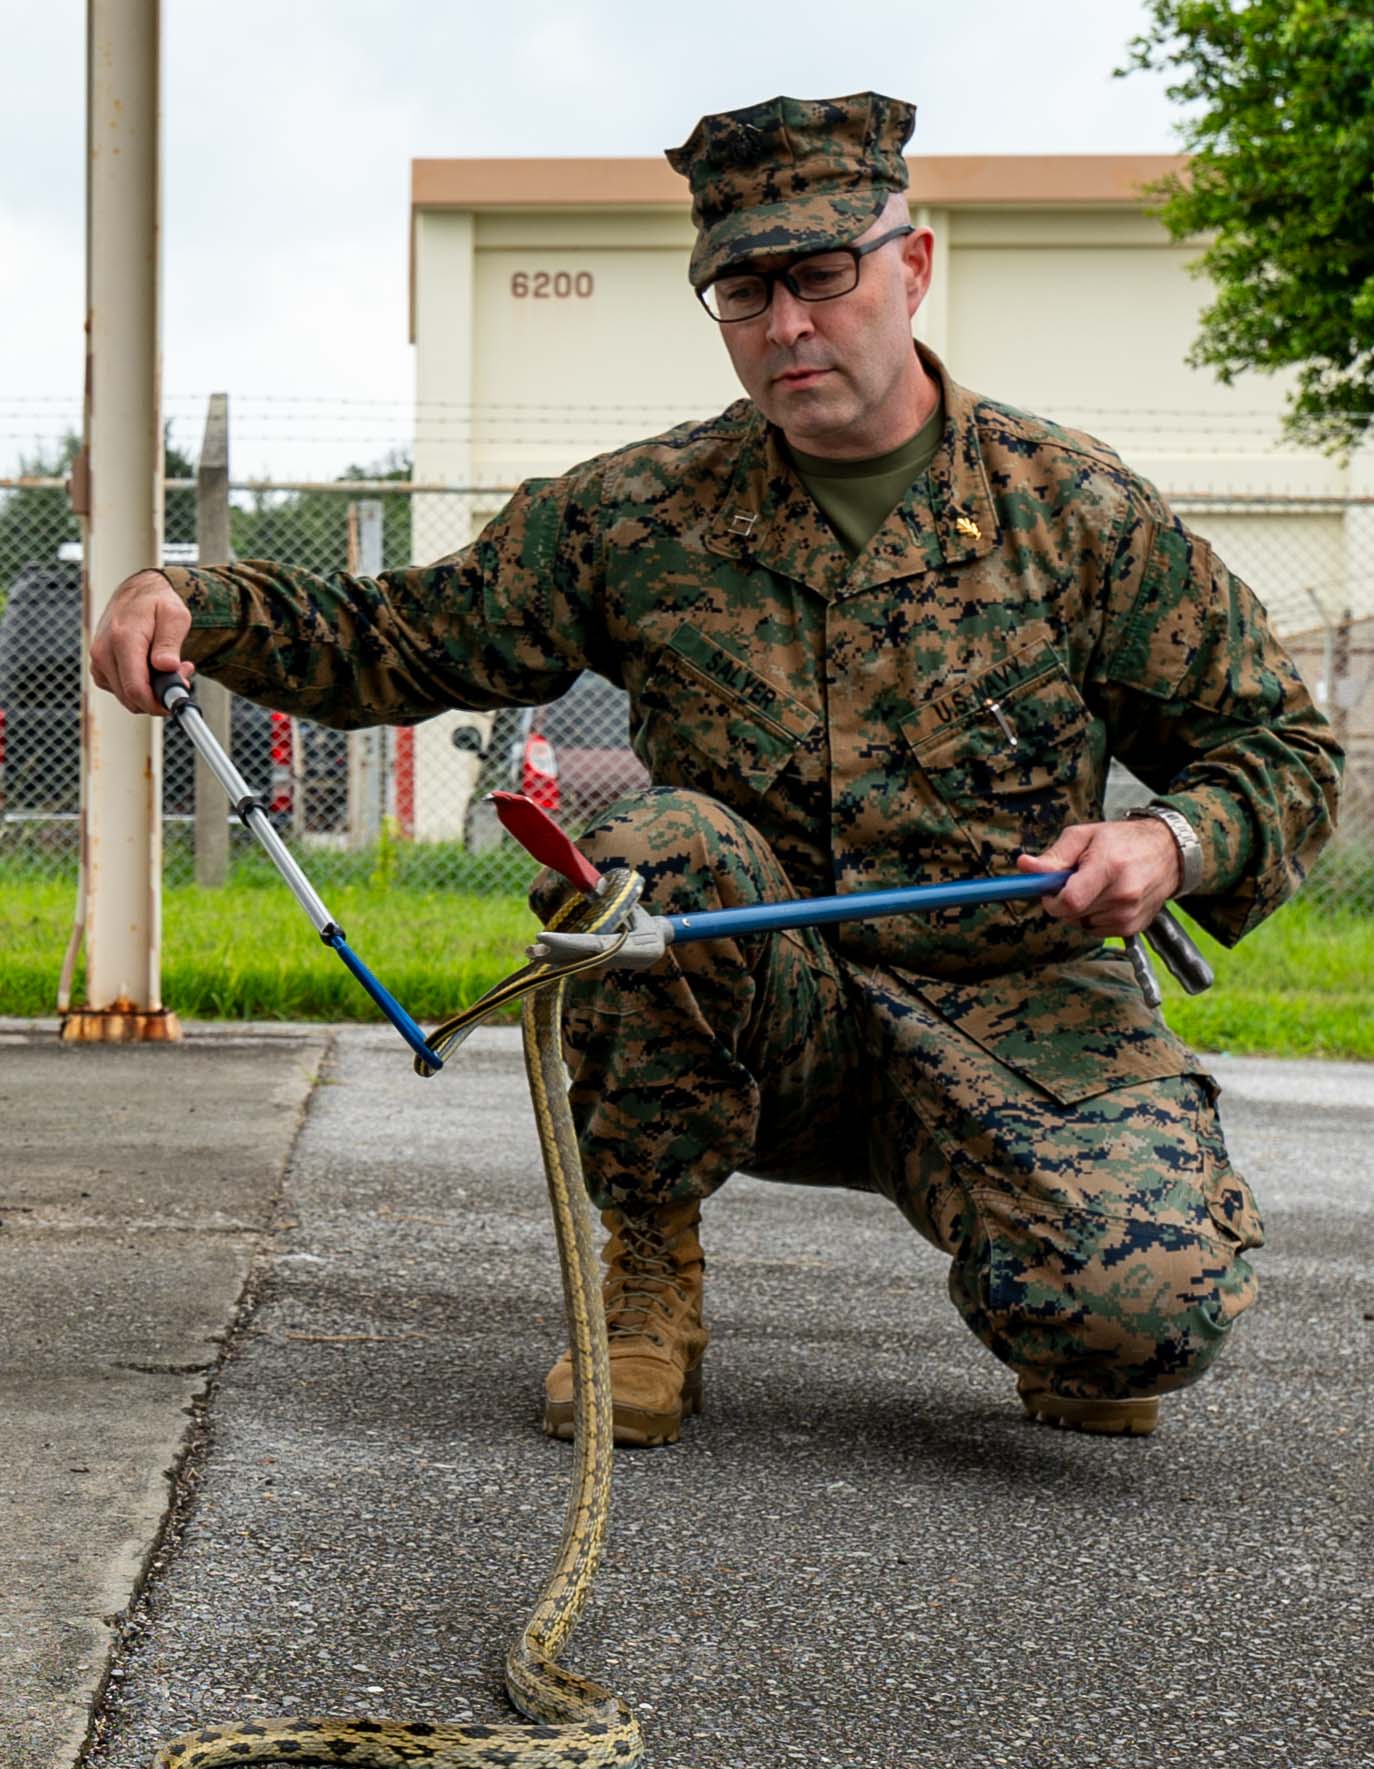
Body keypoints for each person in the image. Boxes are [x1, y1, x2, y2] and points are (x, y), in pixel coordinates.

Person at [92, 92, 1341, 1451]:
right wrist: (193, 602)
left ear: (909, 268)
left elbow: (1274, 746)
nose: (787, 323)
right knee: (657, 852)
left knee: (1136, 1318)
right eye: (741, 289)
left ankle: (1055, 1286)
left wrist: (1167, 843)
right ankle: (648, 1282)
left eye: (819, 274)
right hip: (767, 1008)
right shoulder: (641, 515)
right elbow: (402, 633)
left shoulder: (1073, 510)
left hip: (1013, 1007)